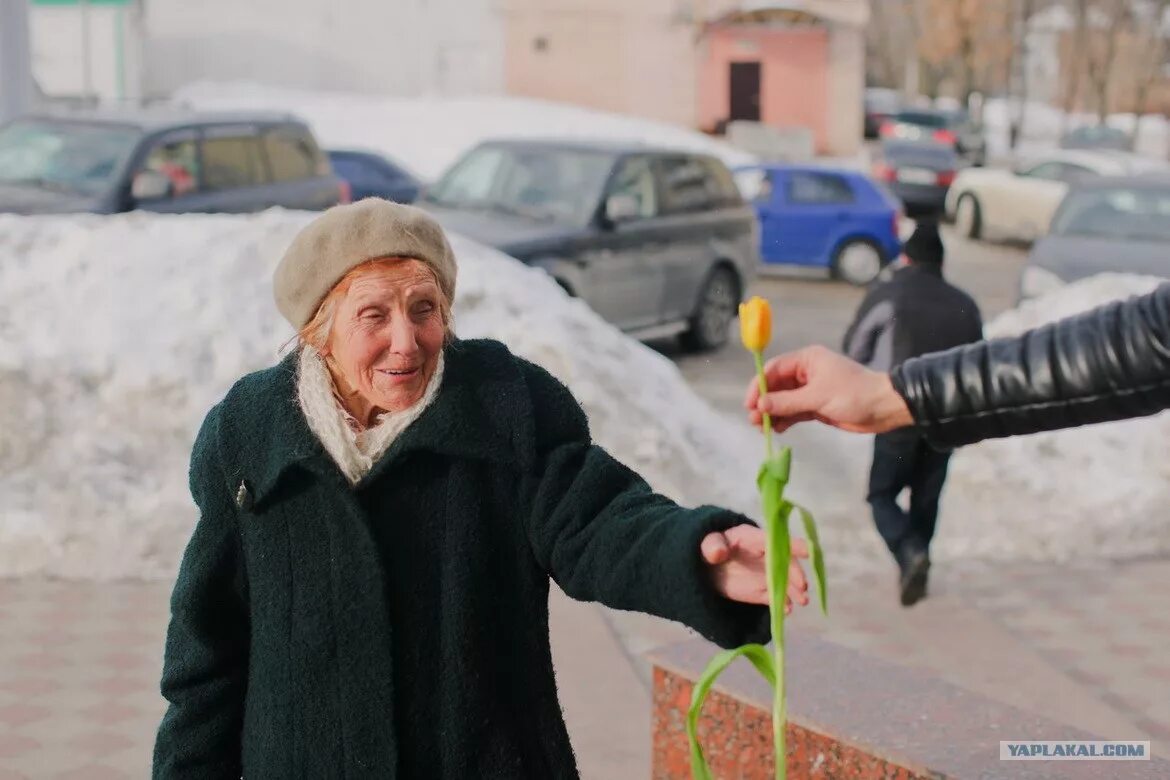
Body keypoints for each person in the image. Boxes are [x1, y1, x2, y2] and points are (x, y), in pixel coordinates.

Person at [152, 198, 811, 779]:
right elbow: (207, 656)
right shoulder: (249, 435)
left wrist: (699, 559)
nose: (406, 341)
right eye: (373, 315)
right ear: (317, 332)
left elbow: (600, 520)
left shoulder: (507, 406)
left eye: (424, 308)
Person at [744, 283, 1170, 449]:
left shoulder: (889, 295)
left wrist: (892, 393)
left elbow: (1148, 341)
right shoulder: (962, 300)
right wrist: (892, 393)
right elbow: (1150, 340)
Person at [839, 220, 983, 606]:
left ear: (907, 257)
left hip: (898, 412)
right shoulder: (965, 304)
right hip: (946, 421)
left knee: (882, 493)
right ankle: (917, 561)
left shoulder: (889, 294)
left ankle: (908, 552)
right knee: (926, 497)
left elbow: (853, 349)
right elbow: (978, 366)